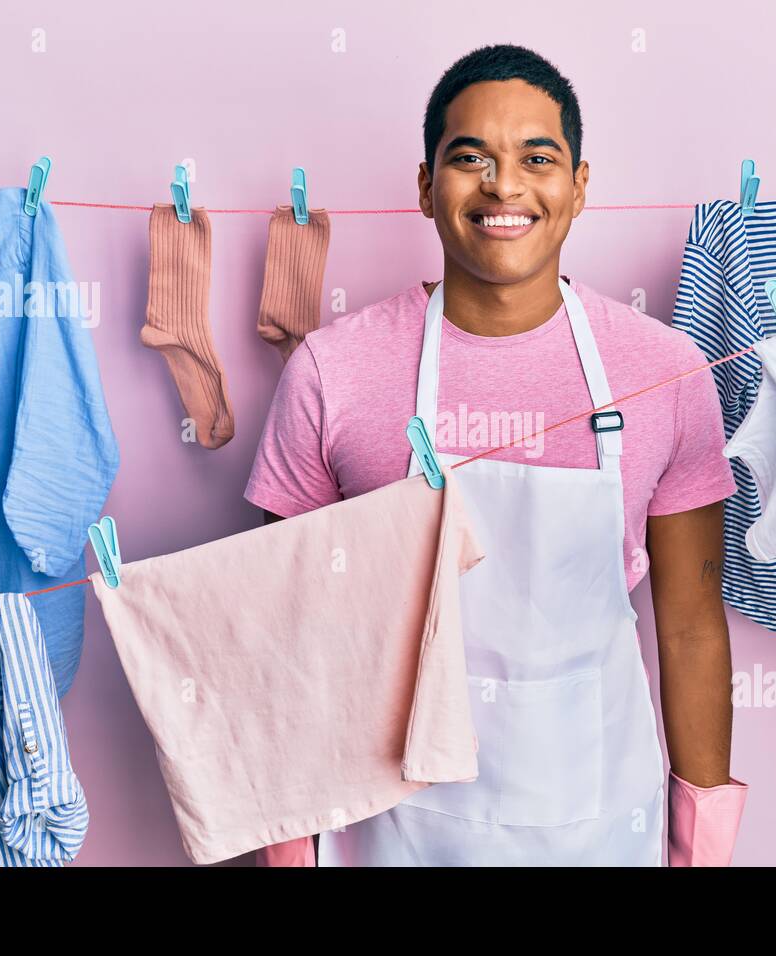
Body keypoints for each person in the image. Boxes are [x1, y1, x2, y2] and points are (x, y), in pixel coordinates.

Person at [246, 43, 746, 866]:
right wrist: (291, 854)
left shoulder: (667, 372)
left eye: (537, 158)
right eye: (469, 157)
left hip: (596, 818)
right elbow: (289, 632)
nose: (503, 185)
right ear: (424, 186)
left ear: (580, 187)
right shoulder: (332, 373)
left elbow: (690, 626)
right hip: (393, 828)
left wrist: (703, 851)